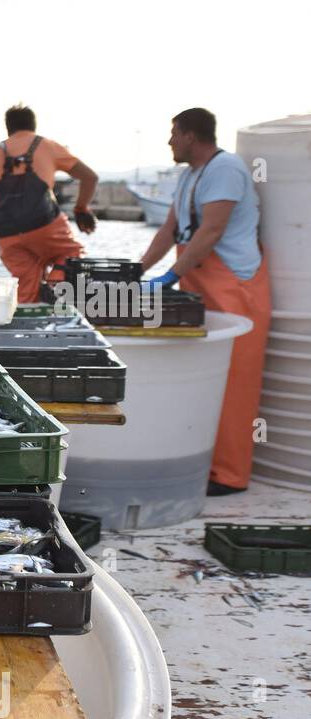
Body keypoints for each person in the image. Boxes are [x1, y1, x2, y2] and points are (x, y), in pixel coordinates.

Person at [140, 108, 271, 495]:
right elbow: (170, 229)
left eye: (173, 134)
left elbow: (212, 230)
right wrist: (137, 271)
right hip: (199, 281)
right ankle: (202, 463)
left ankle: (231, 475)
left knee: (235, 381)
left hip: (234, 285)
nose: (169, 142)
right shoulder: (188, 176)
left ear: (191, 136)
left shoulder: (225, 168)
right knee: (203, 378)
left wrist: (171, 275)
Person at [0, 104, 99, 303]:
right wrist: (81, 209)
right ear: (33, 125)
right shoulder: (49, 146)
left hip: (7, 233)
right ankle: (55, 287)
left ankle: (29, 314)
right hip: (46, 227)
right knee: (71, 254)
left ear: (8, 128)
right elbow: (90, 177)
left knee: (26, 287)